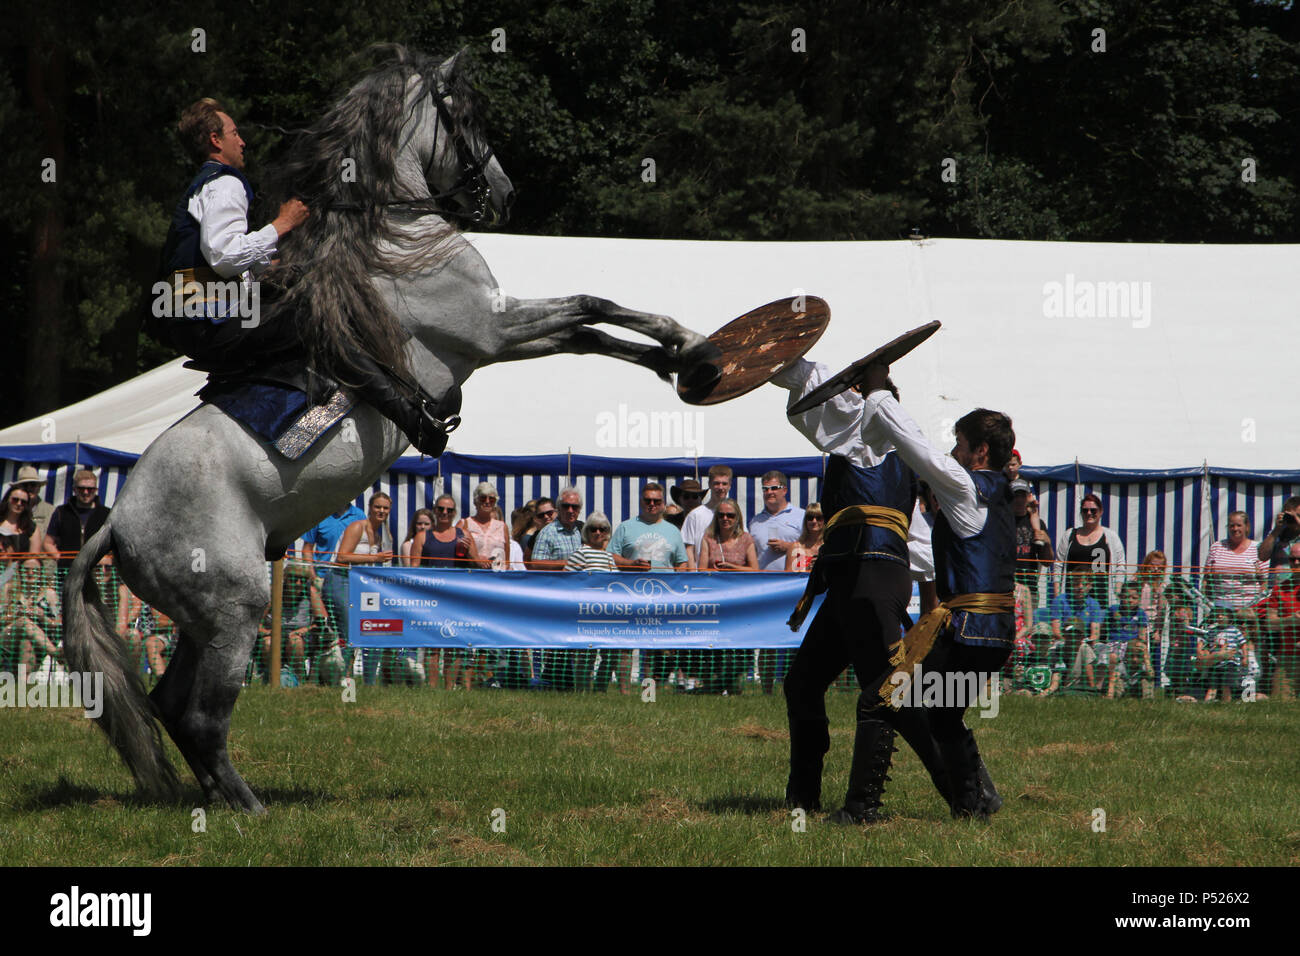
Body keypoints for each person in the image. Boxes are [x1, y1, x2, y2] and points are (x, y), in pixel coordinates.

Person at [156, 99, 455, 455]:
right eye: (235, 133)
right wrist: (283, 224)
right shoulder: (225, 184)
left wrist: (266, 270)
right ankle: (415, 422)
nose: (243, 141)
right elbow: (224, 255)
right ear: (215, 140)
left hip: (198, 316)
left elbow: (214, 263)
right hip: (211, 322)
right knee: (322, 319)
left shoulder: (205, 184)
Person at [849, 360, 1017, 820]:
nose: (954, 452)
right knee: (943, 716)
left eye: (961, 444)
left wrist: (879, 393)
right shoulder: (1002, 491)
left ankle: (860, 810)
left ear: (979, 451)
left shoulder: (967, 488)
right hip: (996, 635)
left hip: (966, 630)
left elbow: (919, 450)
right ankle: (973, 809)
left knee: (879, 699)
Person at [768, 357, 920, 815]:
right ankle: (803, 798)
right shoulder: (896, 450)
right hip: (849, 583)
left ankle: (964, 792)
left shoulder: (869, 432)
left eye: (856, 392)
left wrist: (775, 361)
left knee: (888, 695)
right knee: (804, 685)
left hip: (870, 583)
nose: (846, 399)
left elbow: (804, 393)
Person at [609, 483, 689, 688]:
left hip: (664, 596)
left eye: (656, 501)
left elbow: (682, 562)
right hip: (630, 594)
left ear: (663, 504)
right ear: (641, 501)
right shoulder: (626, 526)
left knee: (660, 647)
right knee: (627, 645)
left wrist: (678, 580)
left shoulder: (672, 531)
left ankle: (653, 692)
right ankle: (625, 693)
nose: (652, 505)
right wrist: (631, 564)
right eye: (648, 501)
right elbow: (610, 557)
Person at [412, 495, 488, 689]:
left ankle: (449, 688)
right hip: (430, 598)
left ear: (455, 513)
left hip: (456, 598)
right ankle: (432, 687)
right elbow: (413, 569)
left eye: (449, 510)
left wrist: (480, 558)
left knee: (453, 646)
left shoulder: (463, 535)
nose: (445, 513)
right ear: (435, 511)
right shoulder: (423, 537)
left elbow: (476, 564)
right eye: (441, 509)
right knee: (432, 647)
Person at [696, 499, 758, 694]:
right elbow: (701, 570)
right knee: (715, 648)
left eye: (730, 515)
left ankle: (733, 686)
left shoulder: (746, 539)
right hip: (716, 601)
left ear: (737, 517)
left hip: (741, 603)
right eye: (721, 515)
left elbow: (755, 570)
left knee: (741, 648)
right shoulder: (708, 538)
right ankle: (711, 687)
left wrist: (732, 568)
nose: (725, 519)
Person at [563, 512, 620, 691]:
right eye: (593, 529)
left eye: (602, 529)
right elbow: (566, 580)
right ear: (587, 532)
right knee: (586, 655)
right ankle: (582, 691)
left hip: (608, 613)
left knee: (611, 655)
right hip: (585, 612)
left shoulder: (609, 557)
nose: (597, 532)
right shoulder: (580, 554)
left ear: (607, 532)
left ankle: (600, 690)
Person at [1053, 492, 1126, 605]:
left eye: (1093, 510)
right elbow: (1058, 565)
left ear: (1101, 512)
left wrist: (1116, 591)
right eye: (1085, 510)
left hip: (1102, 599)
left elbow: (1120, 565)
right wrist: (1057, 595)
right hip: (1070, 599)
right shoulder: (1069, 535)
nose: (1089, 513)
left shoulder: (1111, 536)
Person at [1043, 572, 1105, 695]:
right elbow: (1056, 631)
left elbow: (1095, 634)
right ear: (1071, 584)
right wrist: (1071, 640)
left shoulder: (1094, 604)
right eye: (1076, 584)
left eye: (1085, 584)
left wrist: (1084, 640)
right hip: (1063, 639)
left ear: (1090, 586)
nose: (1080, 587)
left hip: (1084, 640)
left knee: (1103, 649)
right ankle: (1054, 684)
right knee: (1053, 647)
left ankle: (1097, 689)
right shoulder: (1060, 601)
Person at [43, 469, 111, 571]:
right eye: (81, 488)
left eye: (90, 489)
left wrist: (107, 559)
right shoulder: (61, 512)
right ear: (74, 489)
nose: (85, 492)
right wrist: (60, 559)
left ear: (96, 490)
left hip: (97, 571)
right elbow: (47, 543)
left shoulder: (106, 514)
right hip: (68, 571)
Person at [1097, 581, 1154, 698]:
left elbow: (1142, 635)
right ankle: (1103, 689)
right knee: (1111, 657)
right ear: (1121, 597)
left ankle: (1146, 691)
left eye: (1134, 598)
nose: (1130, 600)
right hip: (1114, 643)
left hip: (1131, 646)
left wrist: (1140, 644)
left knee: (1142, 654)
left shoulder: (1140, 613)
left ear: (1139, 599)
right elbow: (1104, 629)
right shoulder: (1114, 610)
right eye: (1126, 597)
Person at [1259, 542, 1300, 698]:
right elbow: (1269, 623)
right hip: (1288, 657)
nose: (1296, 563)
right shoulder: (1280, 589)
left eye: (1299, 559)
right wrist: (1291, 620)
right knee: (1280, 706)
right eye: (1292, 559)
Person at [1204, 511, 1267, 609]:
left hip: (1250, 609)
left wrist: (1256, 606)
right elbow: (1206, 580)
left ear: (1246, 527)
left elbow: (1265, 583)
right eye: (1232, 525)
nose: (1235, 529)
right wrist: (1208, 605)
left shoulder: (1258, 548)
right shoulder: (1216, 547)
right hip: (1221, 610)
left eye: (1239, 525)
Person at [749, 471, 805, 571]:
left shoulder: (801, 516)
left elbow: (813, 547)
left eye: (774, 488)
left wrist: (788, 547)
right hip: (763, 581)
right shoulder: (755, 521)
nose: (769, 492)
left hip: (793, 580)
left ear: (784, 490)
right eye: (765, 489)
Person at [1010, 479, 1053, 603]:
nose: (1019, 500)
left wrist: (1047, 542)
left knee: (1028, 623)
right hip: (1005, 588)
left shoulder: (1037, 523)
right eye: (1015, 496)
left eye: (1022, 496)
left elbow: (1047, 562)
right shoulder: (1002, 522)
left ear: (1028, 497)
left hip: (1030, 590)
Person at [680, 465, 732, 566]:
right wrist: (693, 575)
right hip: (702, 576)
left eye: (724, 484)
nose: (720, 487)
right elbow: (689, 549)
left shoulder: (734, 514)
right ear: (709, 484)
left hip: (728, 576)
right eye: (716, 483)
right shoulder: (695, 515)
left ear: (730, 486)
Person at [458, 482, 509, 570]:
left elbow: (507, 560)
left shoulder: (502, 526)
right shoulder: (464, 523)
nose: (487, 502)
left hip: (496, 575)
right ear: (475, 501)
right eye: (483, 498)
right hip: (471, 574)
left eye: (492, 499)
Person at [1258, 496, 1300, 590]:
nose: (1293, 519)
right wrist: (1276, 530)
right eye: (1290, 516)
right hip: (1277, 591)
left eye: (1298, 515)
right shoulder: (1276, 534)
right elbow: (1262, 556)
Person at [0, 485, 43, 567]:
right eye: (15, 500)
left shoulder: (31, 527)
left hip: (18, 574)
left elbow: (34, 558)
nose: (19, 504)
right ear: (7, 499)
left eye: (23, 502)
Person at [12, 466, 54, 536]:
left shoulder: (51, 512)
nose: (29, 488)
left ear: (39, 488)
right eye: (25, 485)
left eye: (33, 485)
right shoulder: (10, 511)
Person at [784, 503, 825, 572]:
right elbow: (789, 577)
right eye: (810, 517)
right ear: (805, 521)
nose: (814, 521)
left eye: (818, 518)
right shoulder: (796, 547)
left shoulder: (829, 546)